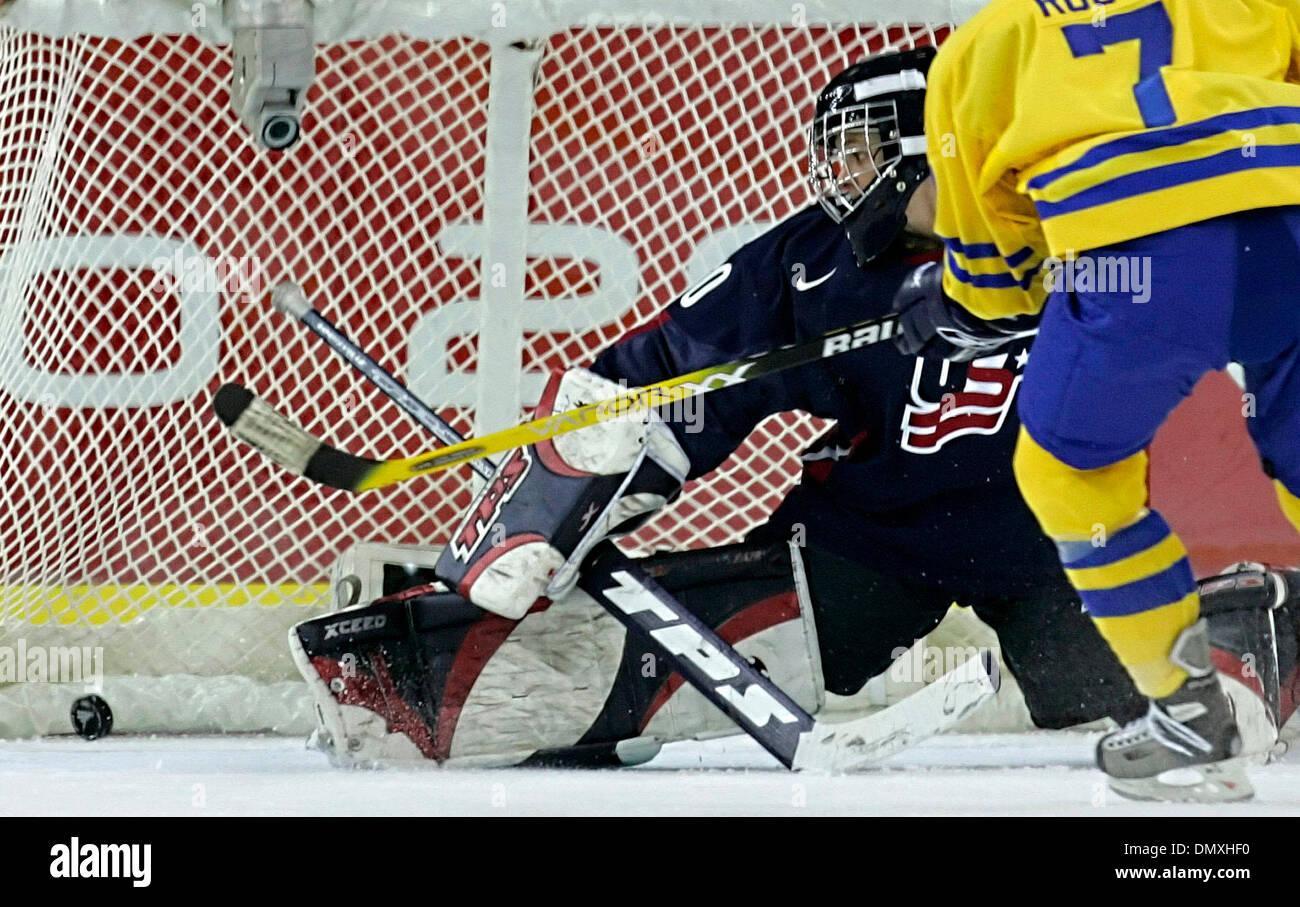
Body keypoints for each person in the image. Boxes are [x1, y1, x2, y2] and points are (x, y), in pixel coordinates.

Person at [288, 48, 1153, 768]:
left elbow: (1179, 303)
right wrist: (576, 479)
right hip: (874, 533)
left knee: (1151, 694)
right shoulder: (808, 262)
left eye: (858, 152)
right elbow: (672, 378)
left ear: (931, 144)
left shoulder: (1071, 223)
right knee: (698, 636)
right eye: (835, 153)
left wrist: (1030, 285)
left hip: (1061, 529)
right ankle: (406, 672)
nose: (838, 177)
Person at [890, 0, 1300, 801]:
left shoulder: (982, 46)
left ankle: (1188, 715)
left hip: (1149, 262)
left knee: (1065, 470)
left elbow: (997, 268)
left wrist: (956, 298)